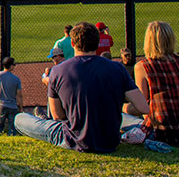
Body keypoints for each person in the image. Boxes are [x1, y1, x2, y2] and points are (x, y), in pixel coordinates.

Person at [13, 22, 150, 153]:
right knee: (127, 119)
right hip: (110, 140)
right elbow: (143, 107)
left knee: (19, 119)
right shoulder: (117, 68)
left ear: (73, 44)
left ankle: (43, 120)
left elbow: (58, 115)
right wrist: (118, 107)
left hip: (73, 138)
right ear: (97, 43)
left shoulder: (58, 71)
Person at [131, 21, 179, 146]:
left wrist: (122, 107)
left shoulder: (143, 66)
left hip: (162, 132)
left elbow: (140, 108)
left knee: (124, 118)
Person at [0, 57, 23, 135]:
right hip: (13, 106)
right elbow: (19, 95)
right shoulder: (16, 79)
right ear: (10, 66)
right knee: (12, 129)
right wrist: (21, 107)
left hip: (0, 105)